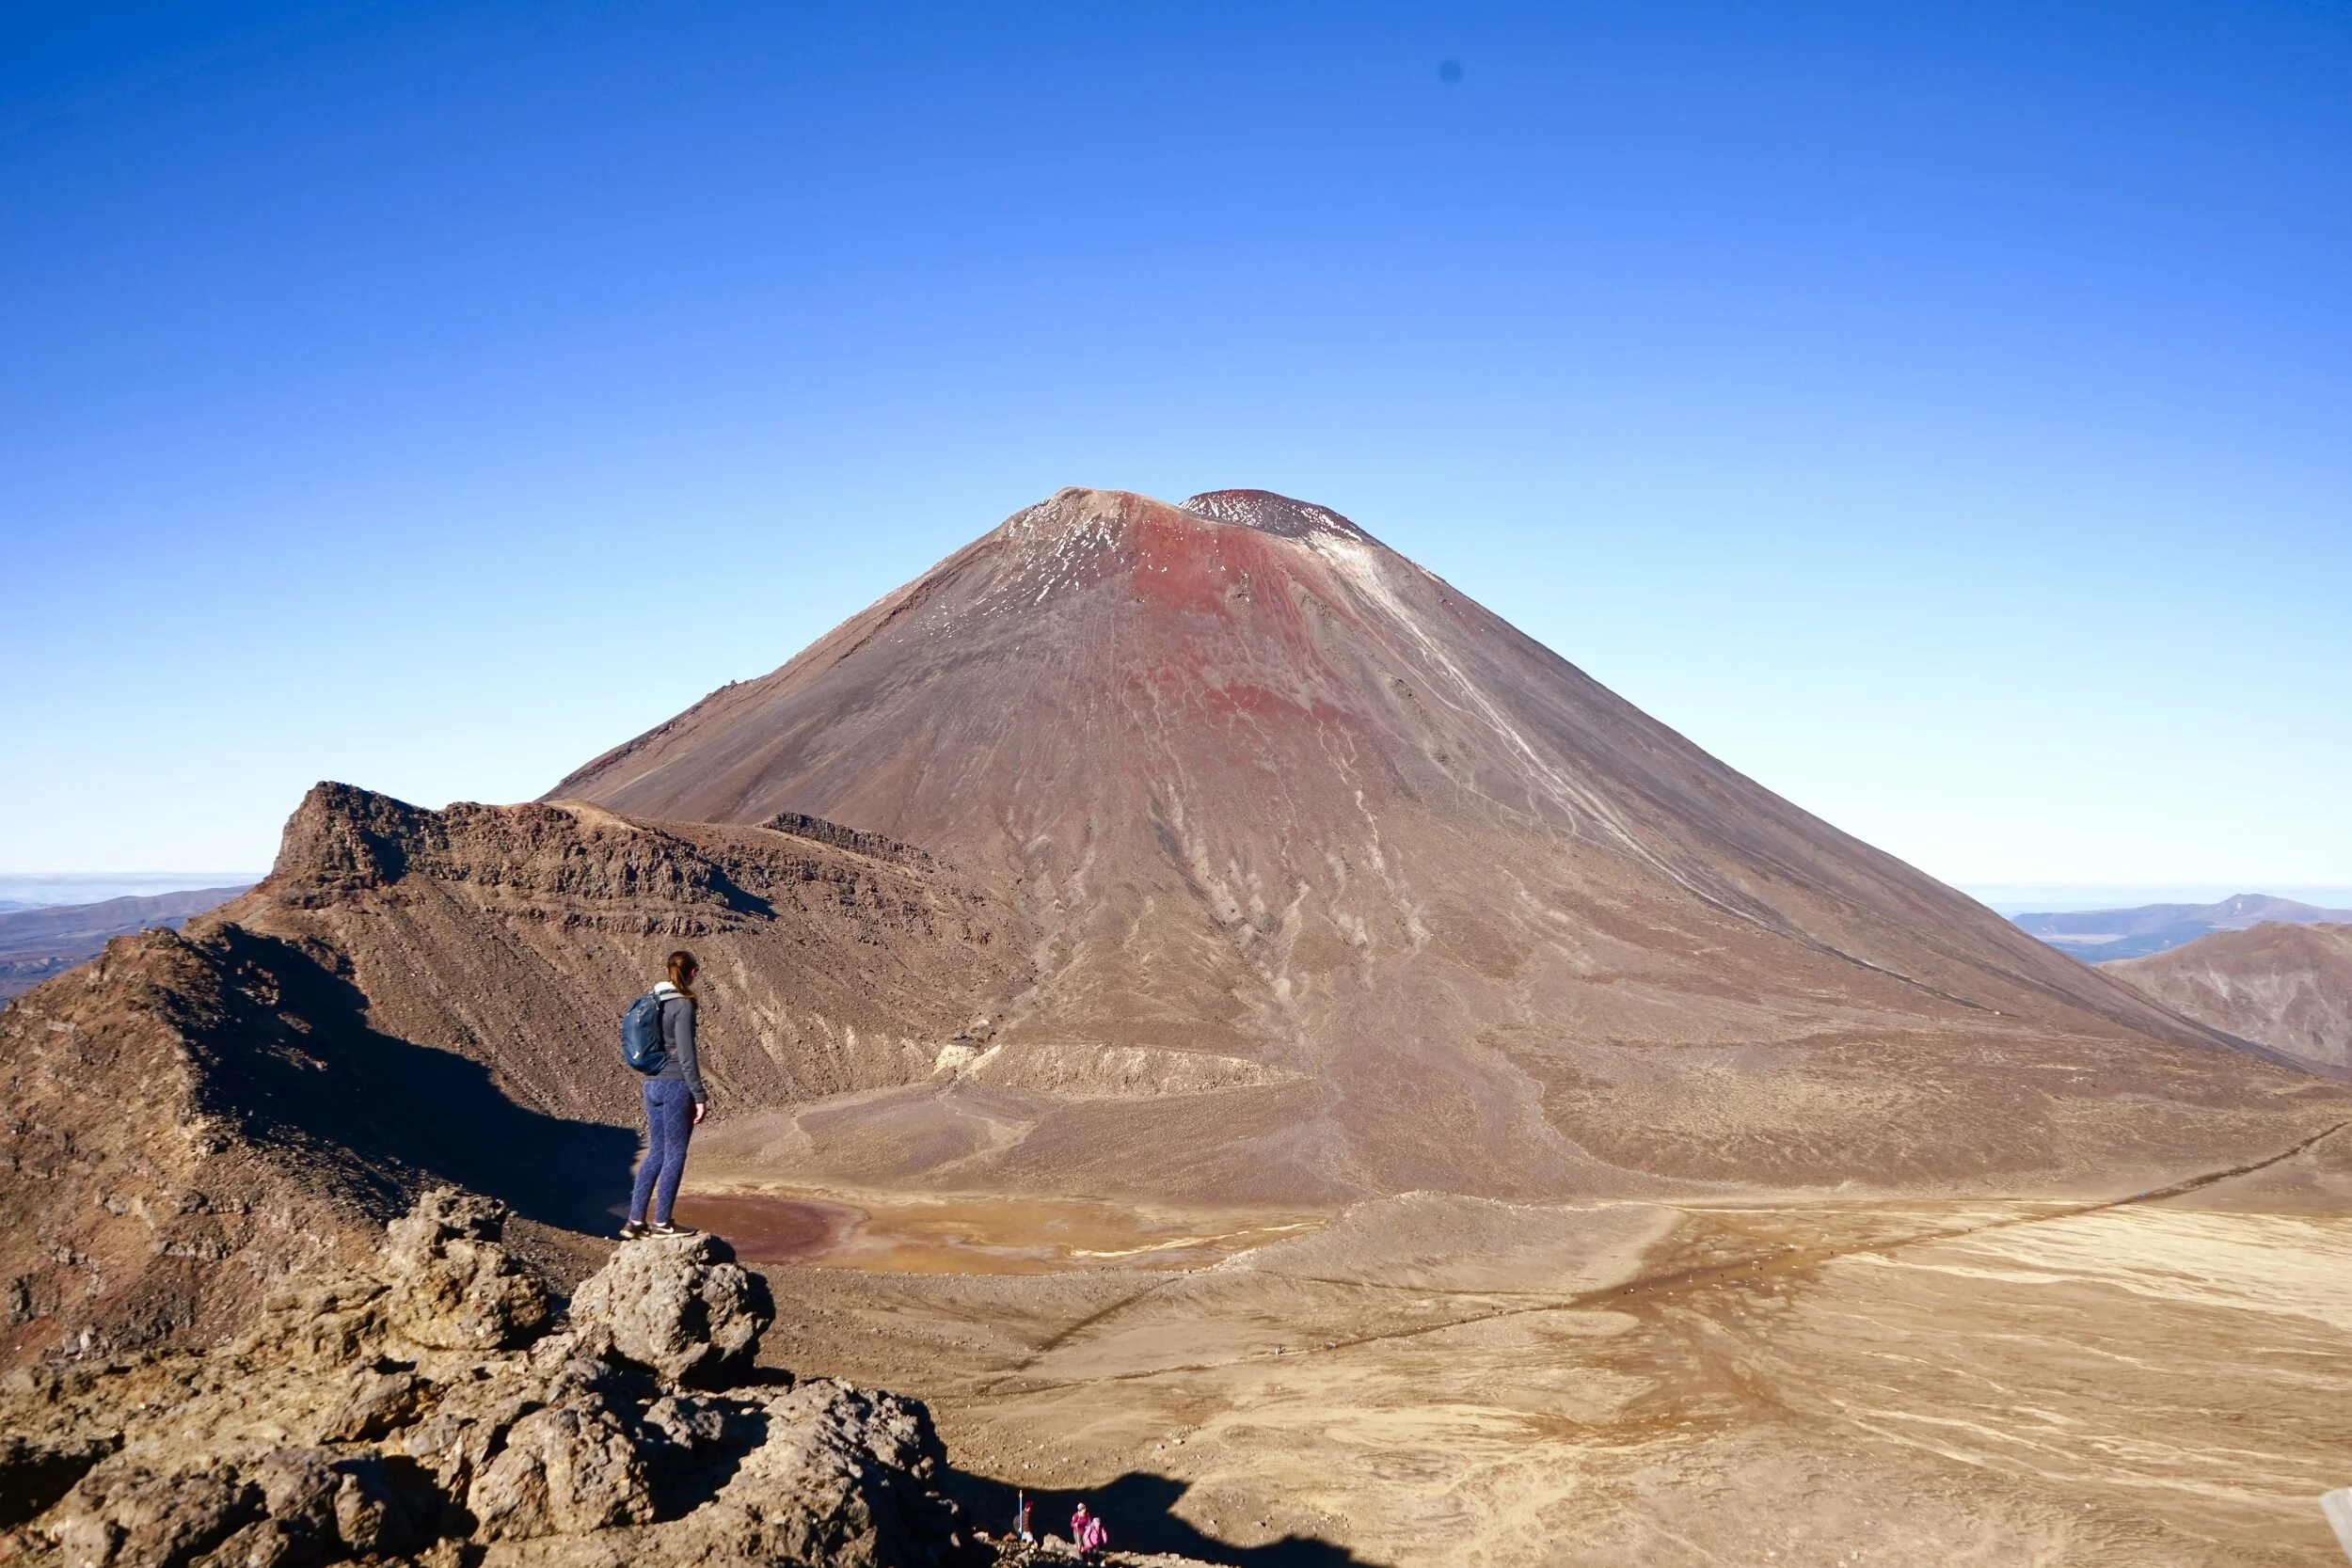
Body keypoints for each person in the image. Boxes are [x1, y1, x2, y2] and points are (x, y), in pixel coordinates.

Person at [621, 950, 708, 1239]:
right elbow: (686, 1054)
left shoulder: (654, 1001)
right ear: (691, 972)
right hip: (675, 1086)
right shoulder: (683, 1005)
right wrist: (699, 1095)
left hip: (652, 1084)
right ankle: (662, 1223)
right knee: (675, 1153)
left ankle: (634, 1221)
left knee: (656, 1152)